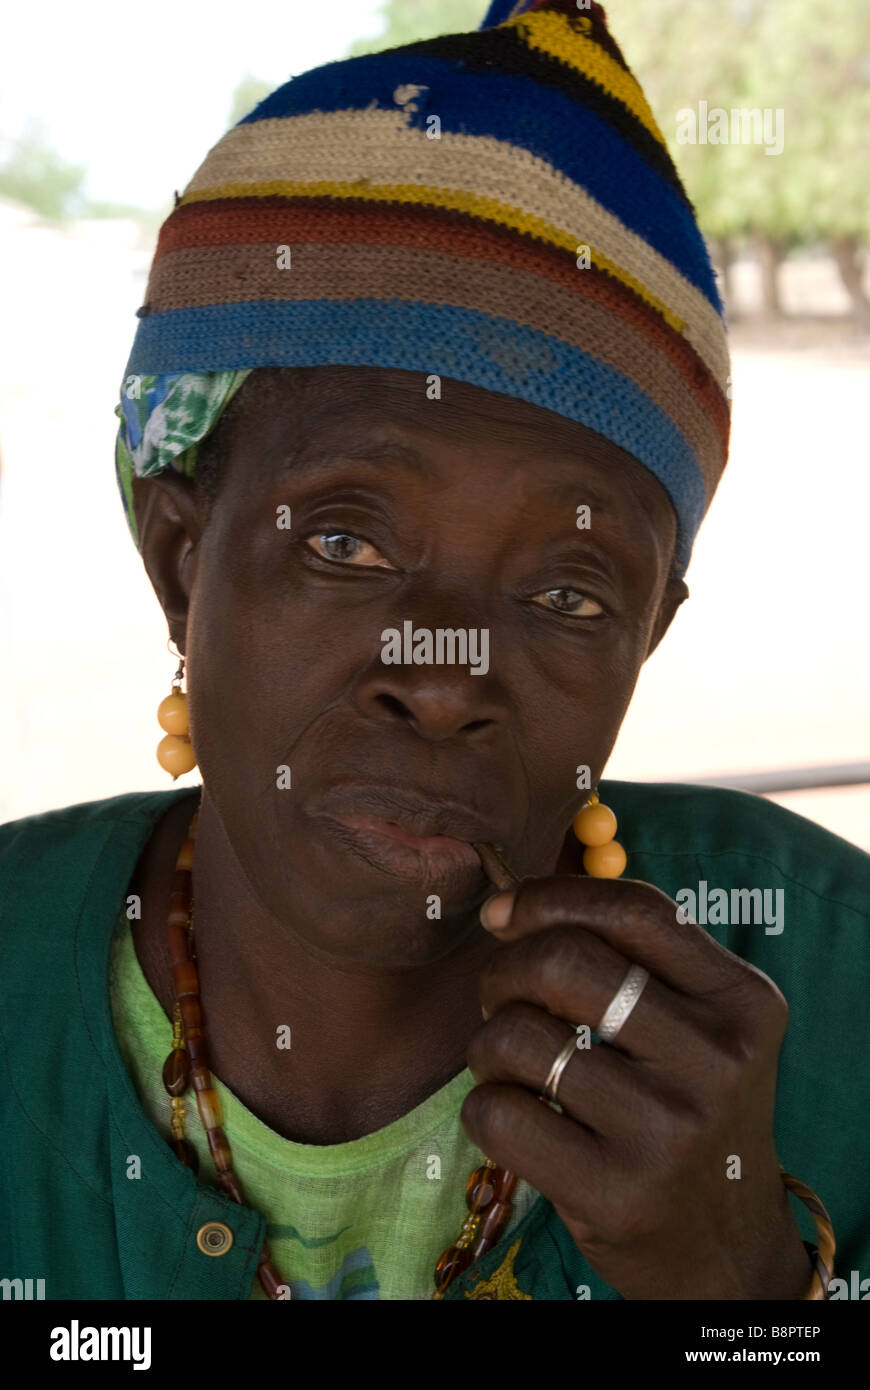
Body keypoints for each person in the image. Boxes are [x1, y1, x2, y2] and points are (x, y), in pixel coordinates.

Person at [1, 0, 867, 1303]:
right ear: (181, 558)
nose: (448, 673)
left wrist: (729, 1282)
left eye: (572, 593)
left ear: (648, 638)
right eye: (343, 543)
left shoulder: (833, 974)